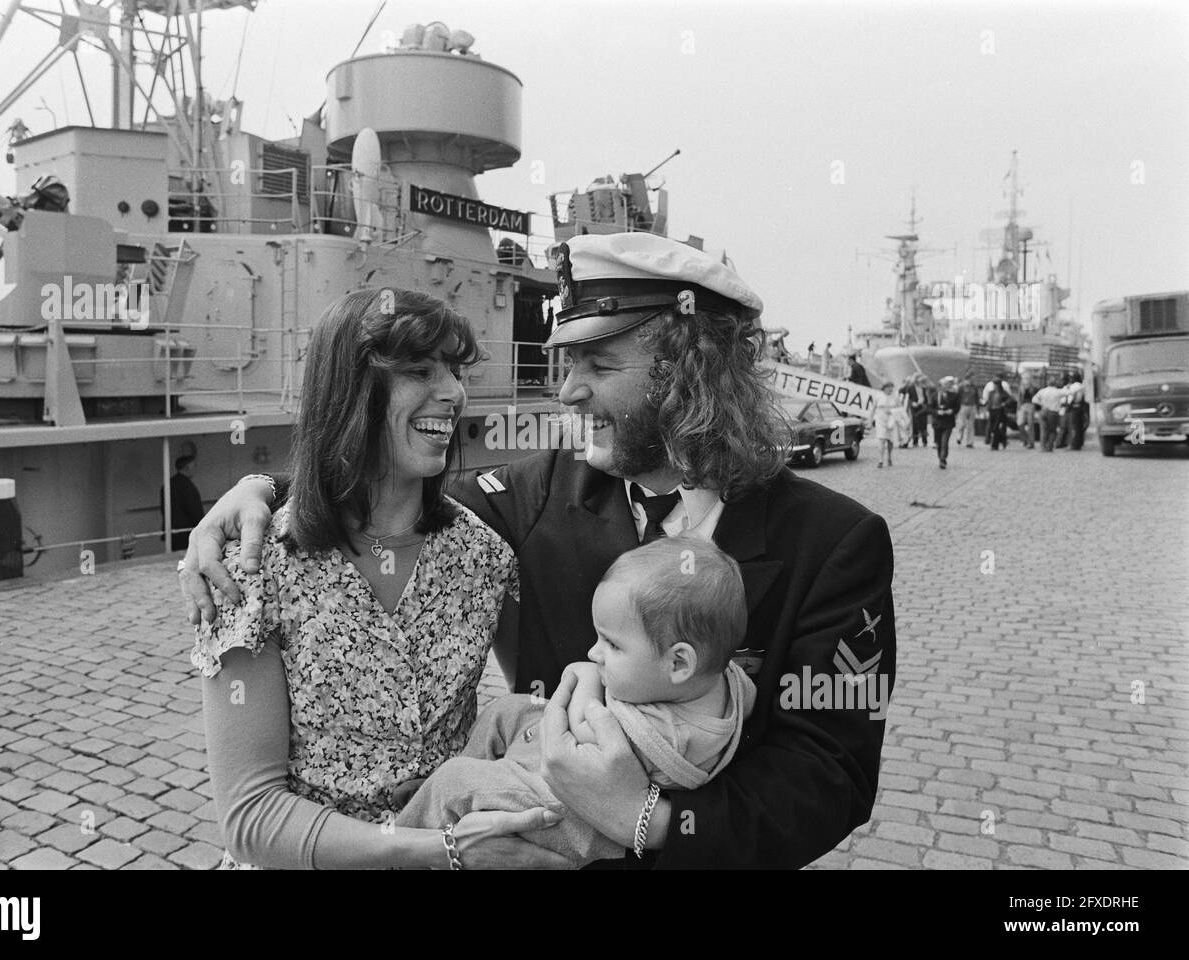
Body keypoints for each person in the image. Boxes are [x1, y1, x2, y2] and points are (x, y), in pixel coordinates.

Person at [182, 232, 897, 869]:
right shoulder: (530, 498)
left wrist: (649, 821)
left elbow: (830, 779)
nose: (567, 392)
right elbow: (380, 492)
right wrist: (259, 490)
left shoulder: (835, 545)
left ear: (689, 371)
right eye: (565, 361)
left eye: (598, 363)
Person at [191, 288, 574, 870]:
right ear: (350, 391)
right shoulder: (255, 563)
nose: (452, 394)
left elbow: (526, 722)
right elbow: (251, 817)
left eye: (454, 370)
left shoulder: (483, 556)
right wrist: (439, 850)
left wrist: (466, 779)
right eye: (419, 371)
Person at [396, 537, 756, 867]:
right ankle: (448, 799)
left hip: (567, 809)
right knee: (505, 711)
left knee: (453, 780)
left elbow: (582, 737)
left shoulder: (668, 735)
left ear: (678, 663)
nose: (594, 652)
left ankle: (402, 843)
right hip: (563, 768)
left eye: (612, 645)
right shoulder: (725, 682)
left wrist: (583, 675)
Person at [162, 455, 206, 552]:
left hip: (172, 531)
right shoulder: (187, 487)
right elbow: (195, 511)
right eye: (194, 466)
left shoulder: (169, 484)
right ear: (187, 467)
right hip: (186, 532)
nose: (195, 469)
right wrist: (203, 526)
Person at [931, 376, 959, 468]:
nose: (945, 387)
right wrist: (937, 412)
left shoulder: (953, 395)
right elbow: (929, 408)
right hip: (937, 422)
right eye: (944, 385)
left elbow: (957, 407)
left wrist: (952, 411)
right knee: (939, 442)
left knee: (944, 442)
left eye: (947, 385)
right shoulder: (934, 396)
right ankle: (941, 457)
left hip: (948, 422)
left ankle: (942, 459)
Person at [1032, 375, 1066, 452]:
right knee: (1052, 430)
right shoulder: (1057, 392)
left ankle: (1042, 446)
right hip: (1053, 412)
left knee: (1043, 430)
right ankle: (1049, 447)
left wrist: (1042, 404)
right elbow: (1068, 392)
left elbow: (1034, 399)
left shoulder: (1042, 391)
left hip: (1044, 411)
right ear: (1055, 383)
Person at [872, 381, 901, 467]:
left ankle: (889, 457)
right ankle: (880, 459)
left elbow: (900, 408)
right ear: (884, 388)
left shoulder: (895, 397)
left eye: (891, 388)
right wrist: (870, 420)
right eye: (888, 388)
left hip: (891, 420)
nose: (890, 389)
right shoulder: (878, 396)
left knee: (890, 440)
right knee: (881, 439)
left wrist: (893, 411)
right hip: (880, 419)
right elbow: (873, 408)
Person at [984, 375, 1010, 450]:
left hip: (999, 411)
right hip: (992, 411)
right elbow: (989, 402)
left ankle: (994, 445)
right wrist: (987, 409)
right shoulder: (991, 393)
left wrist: (1004, 404)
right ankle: (1003, 439)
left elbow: (1010, 399)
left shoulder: (1003, 393)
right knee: (992, 428)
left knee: (996, 427)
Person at [954, 375, 978, 447]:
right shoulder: (961, 387)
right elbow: (957, 397)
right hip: (963, 406)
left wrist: (978, 406)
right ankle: (959, 436)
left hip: (972, 406)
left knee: (971, 425)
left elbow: (976, 397)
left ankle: (969, 442)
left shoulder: (974, 387)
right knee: (962, 423)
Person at [1016, 372, 1038, 448]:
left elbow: (1036, 399)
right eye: (1025, 378)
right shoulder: (1020, 388)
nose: (1026, 380)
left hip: (1031, 406)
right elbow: (1019, 399)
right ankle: (1025, 439)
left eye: (1028, 378)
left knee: (1030, 425)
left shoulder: (1034, 388)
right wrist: (1018, 409)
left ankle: (1031, 443)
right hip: (1022, 406)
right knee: (1020, 423)